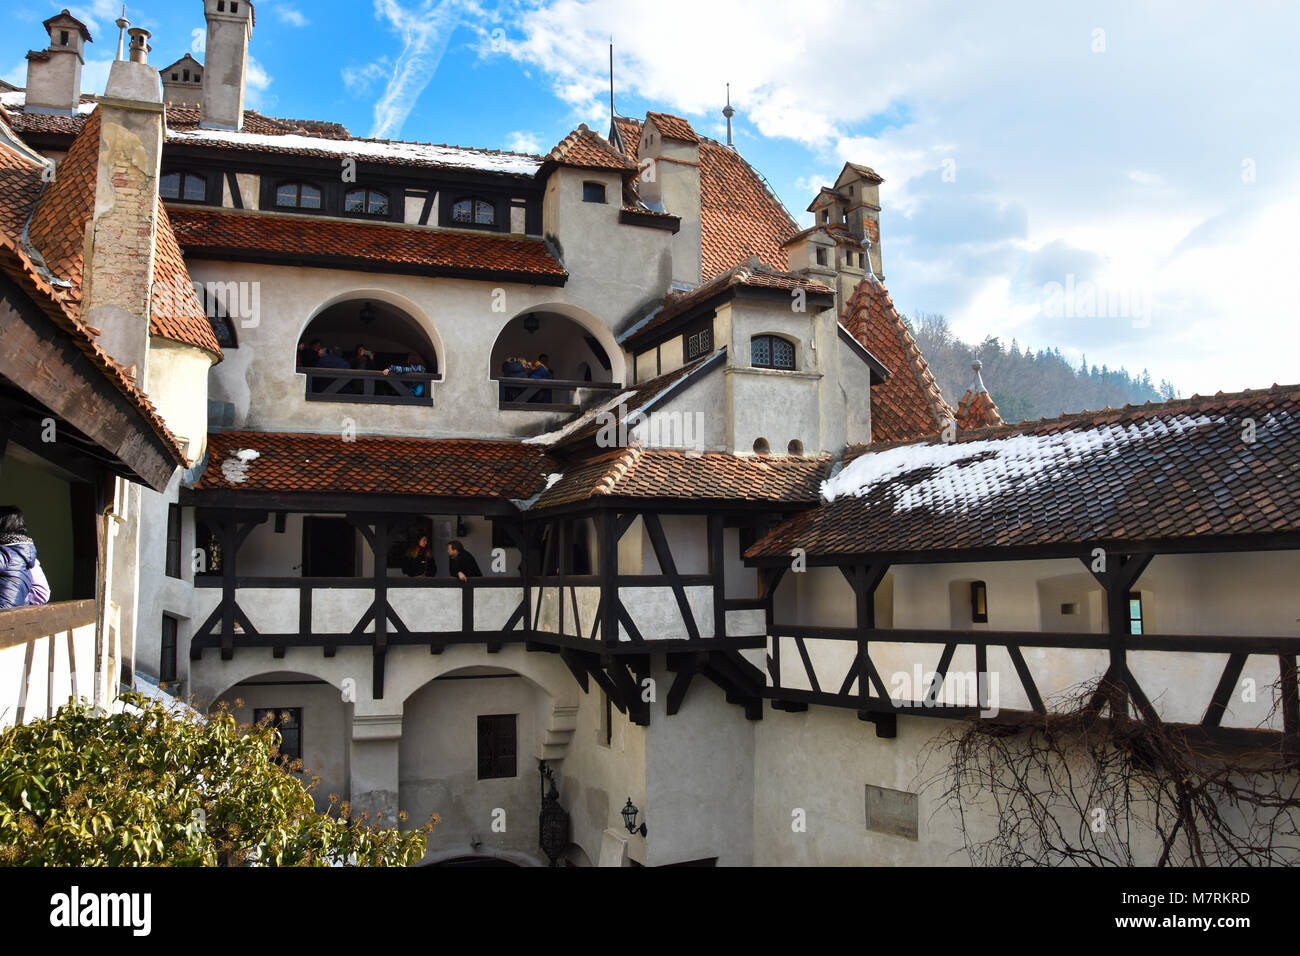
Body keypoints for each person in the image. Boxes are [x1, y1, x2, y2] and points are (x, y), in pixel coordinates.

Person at [0, 506, 50, 609]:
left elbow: (41, 593)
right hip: (15, 614)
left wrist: (17, 596)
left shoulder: (6, 554)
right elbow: (42, 593)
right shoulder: (27, 552)